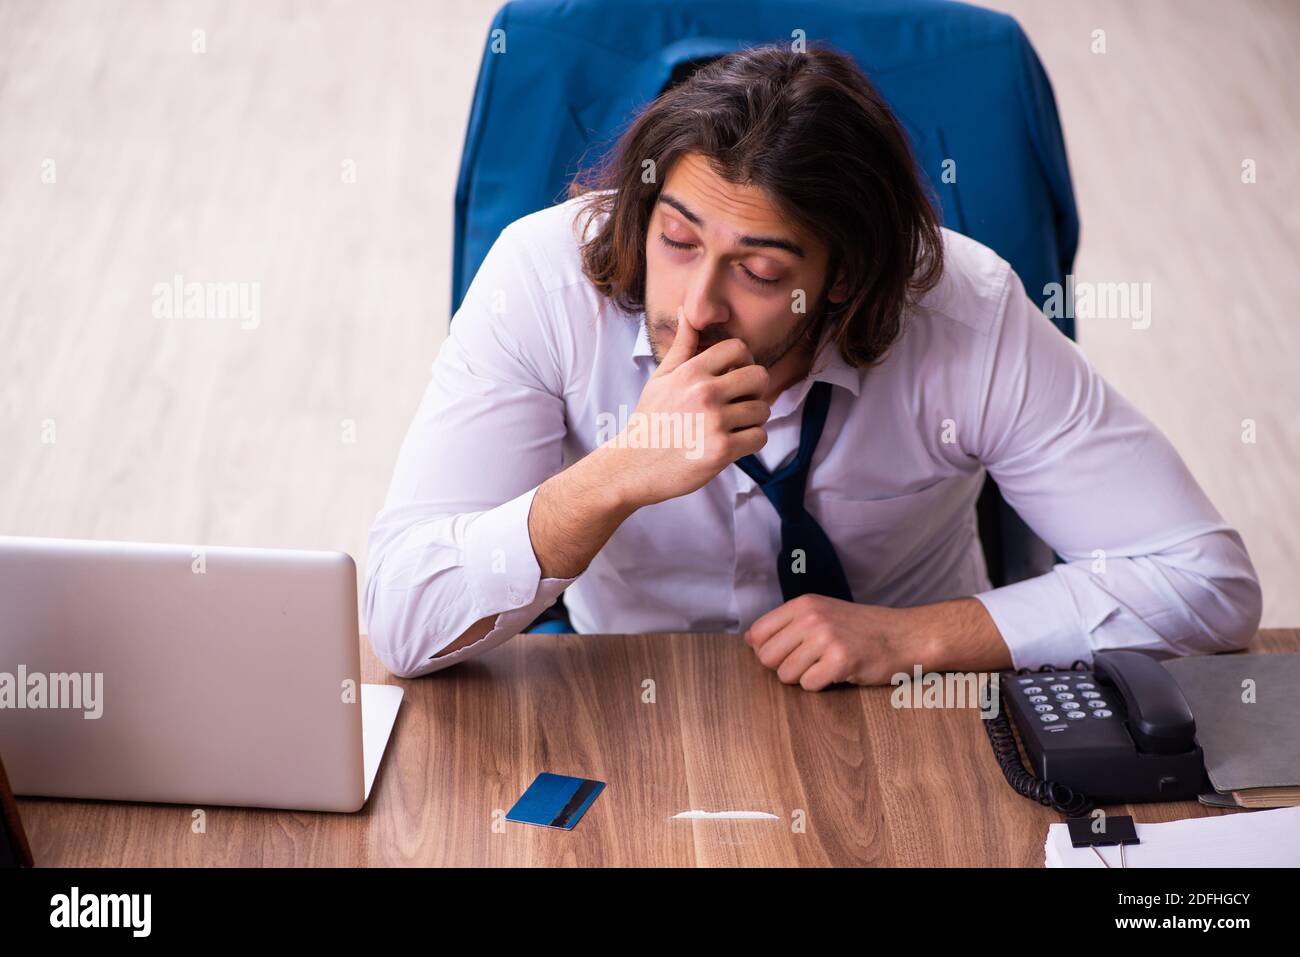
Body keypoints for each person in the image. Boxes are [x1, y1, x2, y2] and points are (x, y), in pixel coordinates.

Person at [363, 43, 1261, 688]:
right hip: (635, 698)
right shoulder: (544, 277)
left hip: (914, 704)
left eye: (759, 271)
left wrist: (913, 641)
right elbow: (402, 619)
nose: (698, 304)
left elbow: (1205, 584)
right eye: (676, 239)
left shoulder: (965, 310)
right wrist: (608, 480)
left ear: (846, 277)